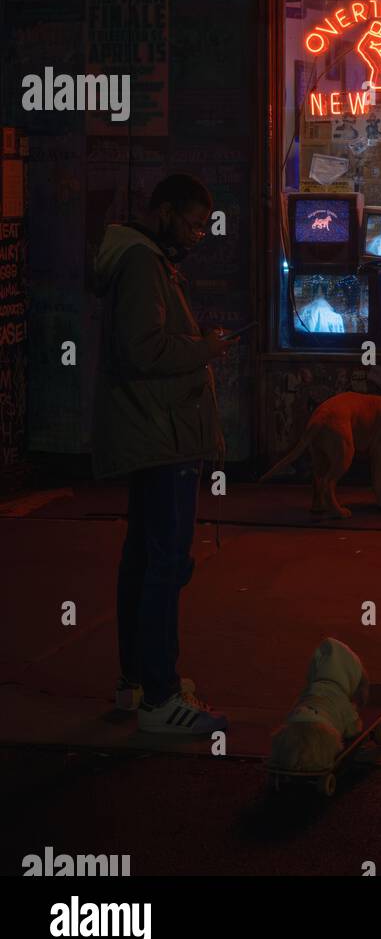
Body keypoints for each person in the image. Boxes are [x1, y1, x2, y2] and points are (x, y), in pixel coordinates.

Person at [92, 173, 231, 734]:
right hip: (163, 432)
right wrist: (206, 348)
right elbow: (143, 347)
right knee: (165, 562)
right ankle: (160, 695)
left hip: (154, 430)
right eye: (194, 223)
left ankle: (138, 681)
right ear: (165, 211)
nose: (198, 236)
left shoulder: (139, 259)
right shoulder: (144, 264)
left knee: (143, 558)